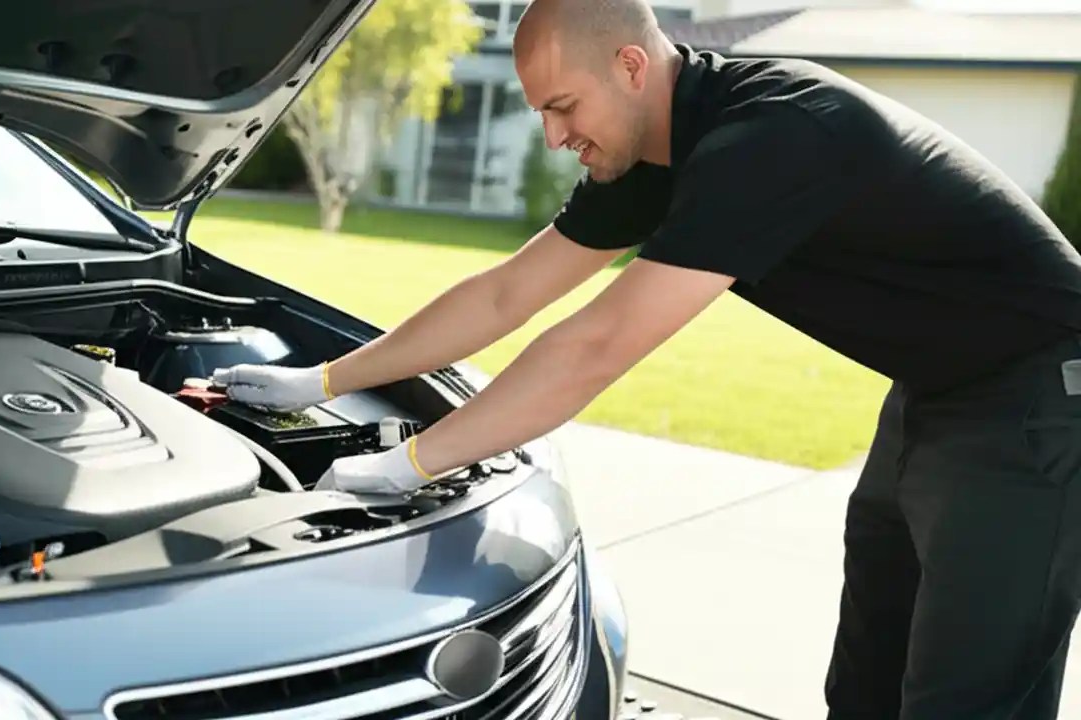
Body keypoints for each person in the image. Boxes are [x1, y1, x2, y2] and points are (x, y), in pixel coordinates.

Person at [214, 0, 1081, 716]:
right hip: (933, 394)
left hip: (1041, 397)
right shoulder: (654, 154)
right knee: (865, 683)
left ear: (632, 66)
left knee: (968, 699)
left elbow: (595, 345)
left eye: (563, 107)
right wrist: (324, 380)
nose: (555, 138)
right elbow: (505, 295)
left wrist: (411, 464)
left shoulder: (775, 134)